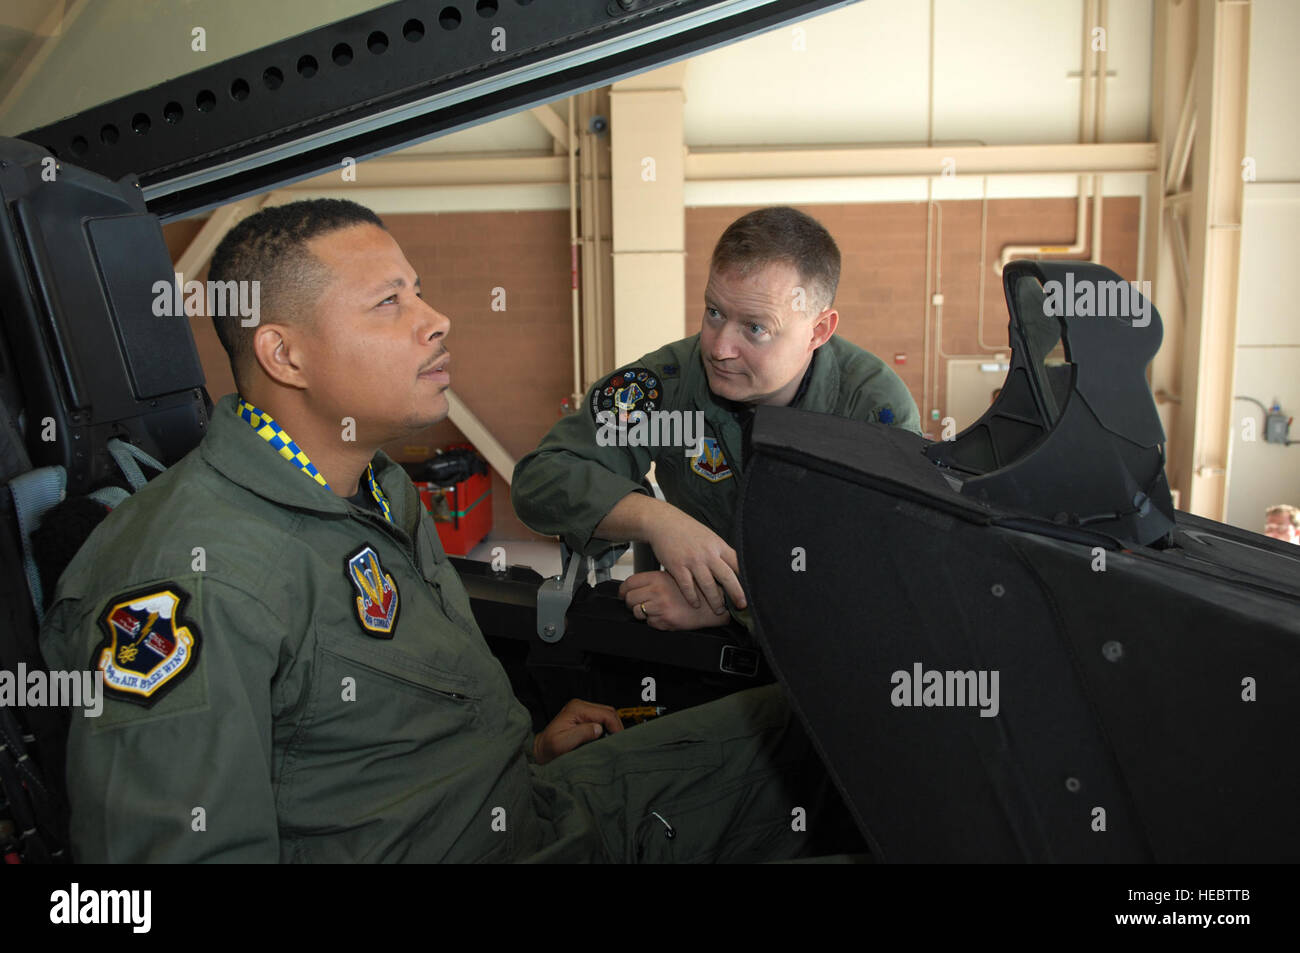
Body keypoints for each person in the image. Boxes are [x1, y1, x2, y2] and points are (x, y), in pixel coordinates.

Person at [38, 199, 854, 863]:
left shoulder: (370, 484)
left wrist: (520, 752)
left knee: (839, 727)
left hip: (522, 801)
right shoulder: (197, 581)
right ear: (284, 354)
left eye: (419, 290)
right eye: (390, 302)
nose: (437, 320)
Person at [512, 206, 920, 631]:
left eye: (755, 328)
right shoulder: (667, 384)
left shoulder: (871, 409)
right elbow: (541, 479)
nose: (720, 348)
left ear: (818, 331)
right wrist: (657, 519)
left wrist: (731, 606)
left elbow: (885, 577)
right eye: (714, 312)